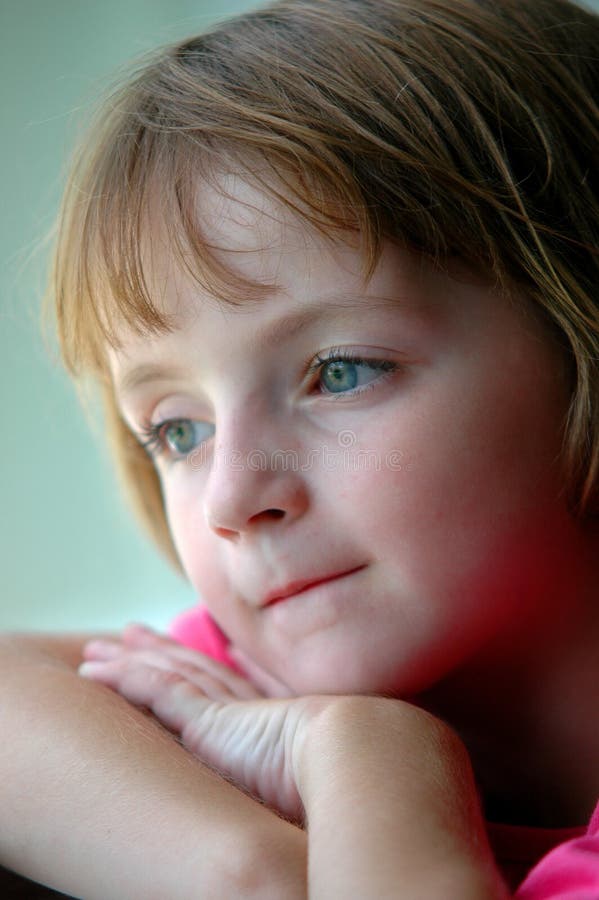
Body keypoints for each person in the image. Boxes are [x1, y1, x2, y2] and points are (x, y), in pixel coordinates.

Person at [2, 0, 598, 895]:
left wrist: (367, 756)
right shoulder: (234, 693)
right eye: (178, 430)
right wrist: (257, 871)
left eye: (342, 371)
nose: (232, 498)